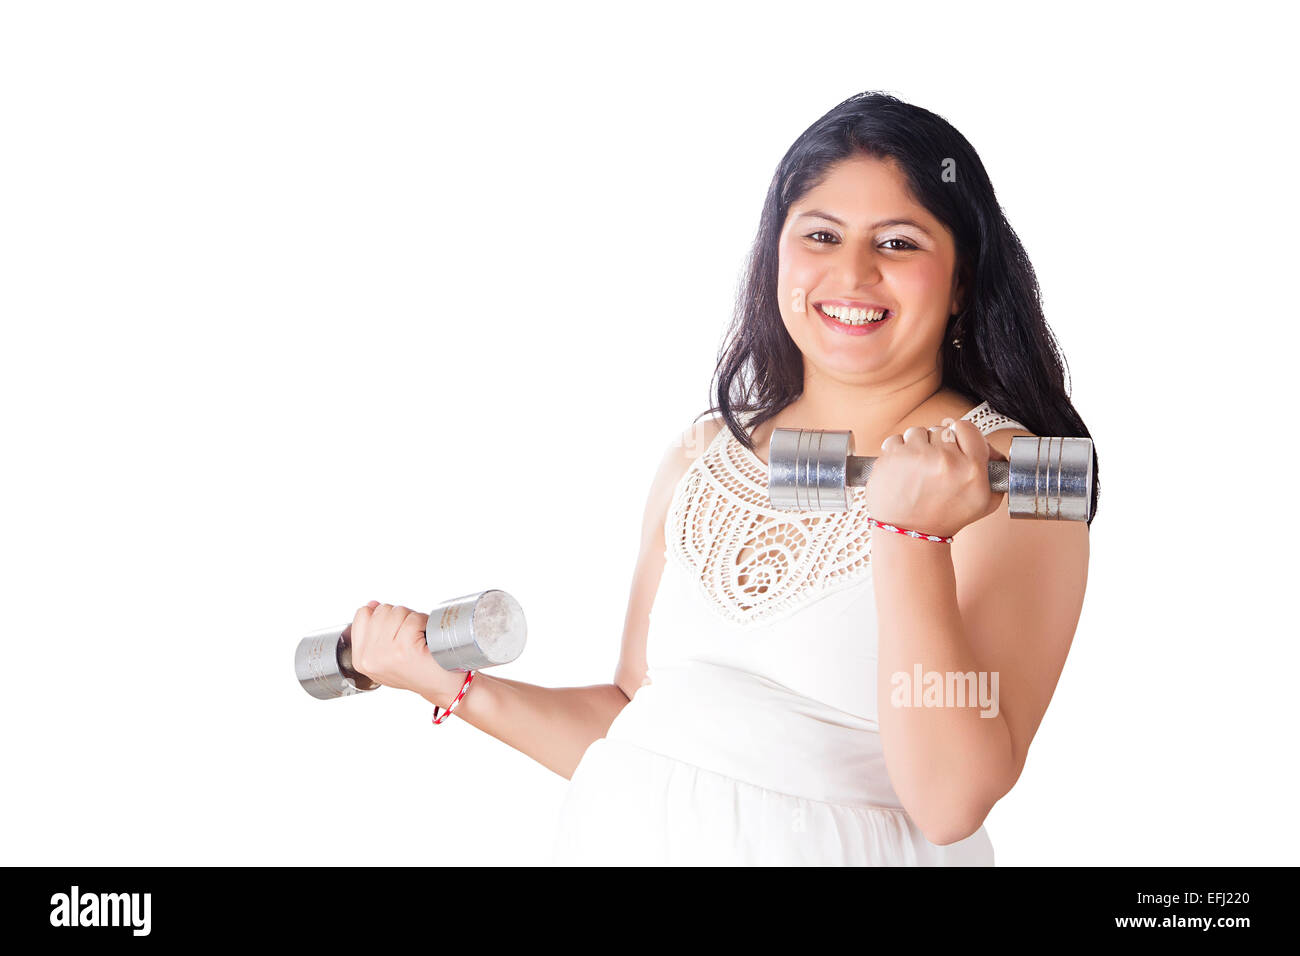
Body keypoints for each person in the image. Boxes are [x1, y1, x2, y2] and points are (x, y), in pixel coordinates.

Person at [348, 91, 1097, 866]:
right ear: (779, 252)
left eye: (898, 243)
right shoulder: (705, 455)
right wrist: (445, 683)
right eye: (820, 235)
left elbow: (949, 802)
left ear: (964, 280)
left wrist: (910, 537)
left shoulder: (1011, 483)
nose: (852, 273)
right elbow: (639, 726)